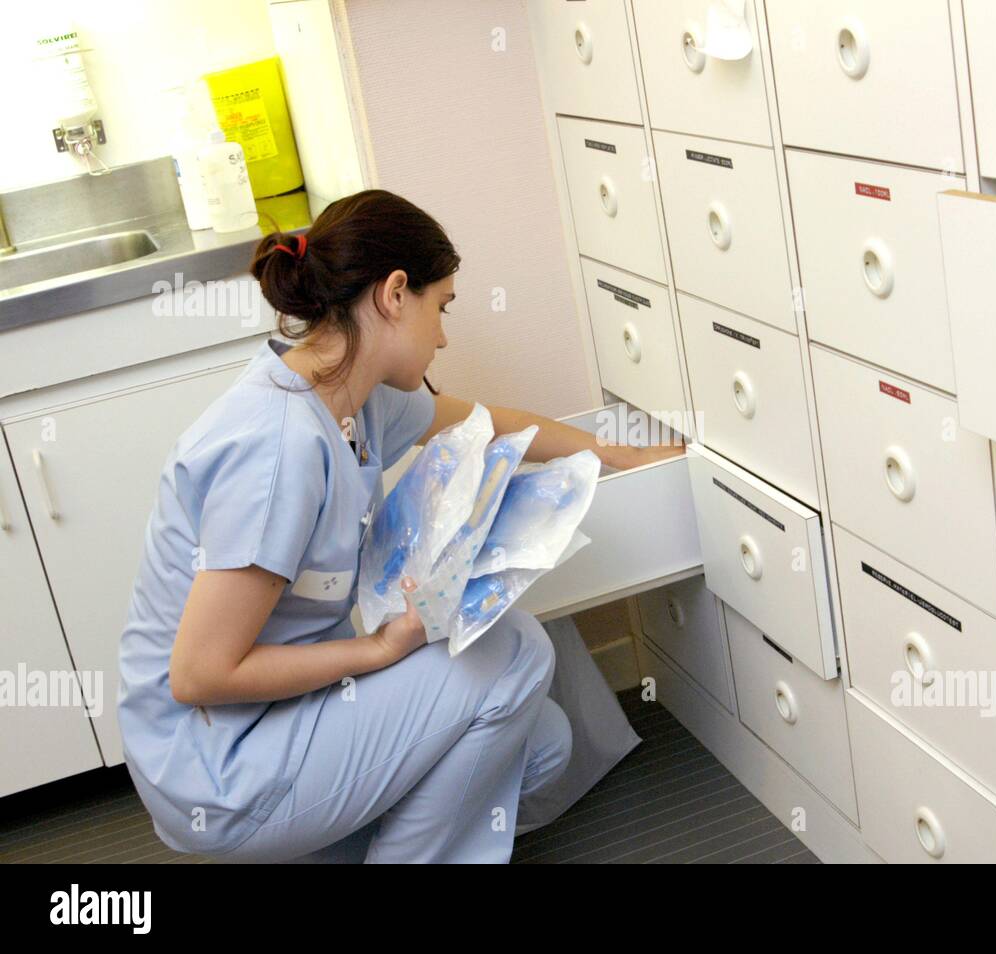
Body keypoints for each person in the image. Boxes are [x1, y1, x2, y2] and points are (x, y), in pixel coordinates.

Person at [116, 189, 680, 863]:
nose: (443, 335)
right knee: (520, 653)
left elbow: (489, 425)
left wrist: (621, 455)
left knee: (545, 746)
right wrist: (378, 652)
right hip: (219, 767)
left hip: (288, 717)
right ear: (394, 294)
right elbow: (200, 675)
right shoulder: (278, 449)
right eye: (441, 308)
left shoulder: (354, 399)